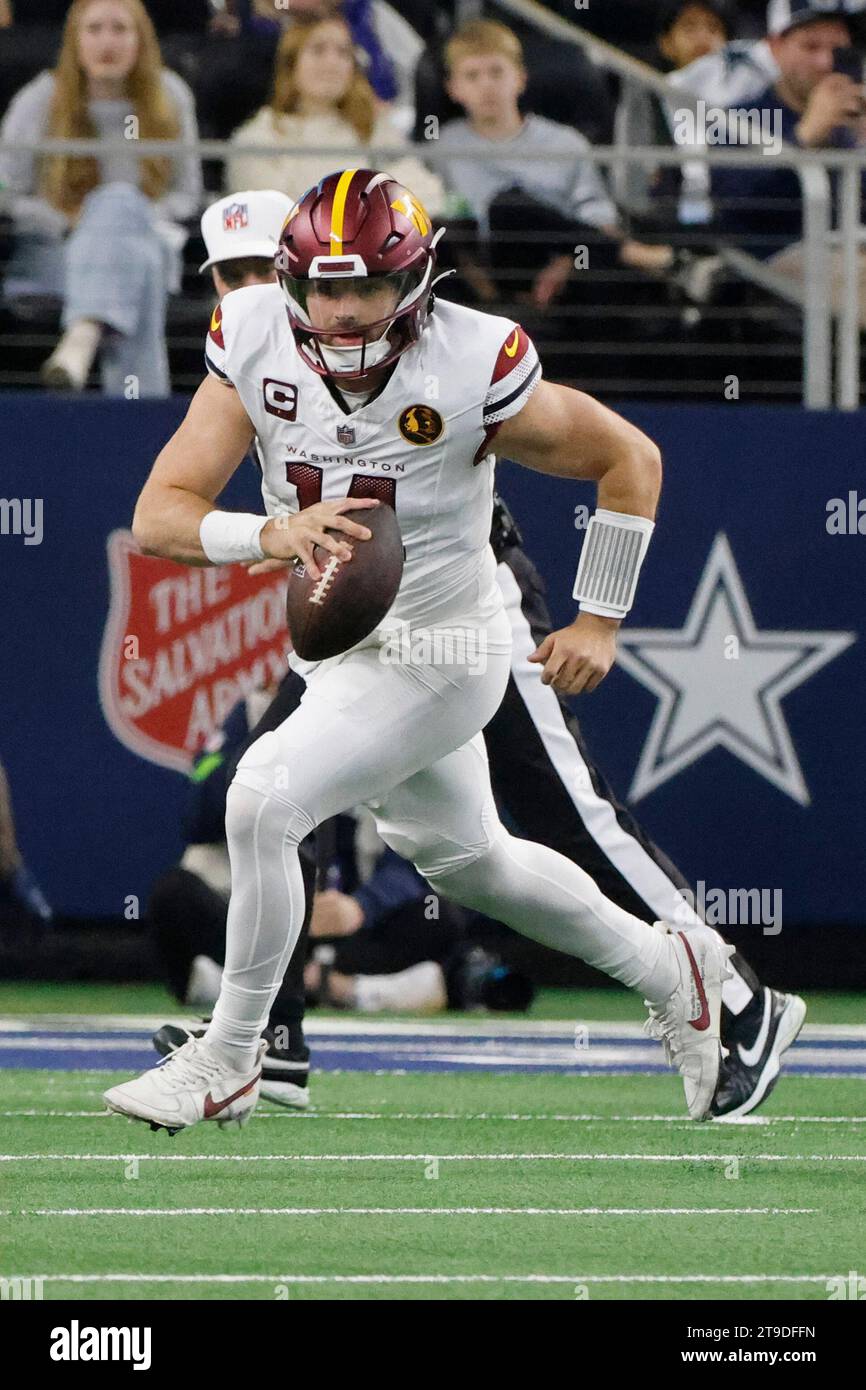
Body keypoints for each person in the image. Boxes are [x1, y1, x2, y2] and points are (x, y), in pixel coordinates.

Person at [102, 164, 742, 1137]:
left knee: (265, 795)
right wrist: (268, 537)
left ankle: (235, 1059)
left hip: (446, 644)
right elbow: (159, 512)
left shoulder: (472, 358)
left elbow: (629, 459)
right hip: (343, 648)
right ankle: (675, 972)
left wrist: (598, 616)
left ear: (416, 282)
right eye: (326, 286)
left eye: (367, 286)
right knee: (477, 864)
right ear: (291, 280)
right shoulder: (251, 334)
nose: (347, 310)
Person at [0, 0, 202, 396]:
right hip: (58, 252)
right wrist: (70, 221)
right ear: (74, 40)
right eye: (94, 29)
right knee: (128, 246)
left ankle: (83, 334)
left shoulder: (170, 95)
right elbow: (6, 192)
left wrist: (135, 215)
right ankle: (140, 422)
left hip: (152, 242)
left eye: (119, 29)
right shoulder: (40, 98)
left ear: (140, 39)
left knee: (122, 207)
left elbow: (187, 194)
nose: (107, 41)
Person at [435, 20, 676, 313]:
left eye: (497, 72)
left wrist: (567, 261)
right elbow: (446, 222)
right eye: (472, 76)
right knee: (507, 206)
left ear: (520, 78)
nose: (487, 85)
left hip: (564, 261)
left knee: (598, 268)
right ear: (453, 88)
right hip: (489, 265)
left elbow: (597, 213)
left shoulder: (564, 142)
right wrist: (485, 290)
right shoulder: (442, 147)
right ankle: (639, 255)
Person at [711, 2, 866, 321]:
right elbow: (739, 205)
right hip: (777, 253)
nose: (825, 62)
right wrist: (806, 136)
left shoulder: (853, 119)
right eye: (810, 47)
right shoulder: (743, 118)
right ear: (775, 47)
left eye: (837, 49)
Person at [224, 14, 443, 213]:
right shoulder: (260, 136)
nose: (333, 63)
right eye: (318, 50)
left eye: (343, 52)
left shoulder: (373, 129)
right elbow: (269, 213)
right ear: (291, 65)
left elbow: (427, 194)